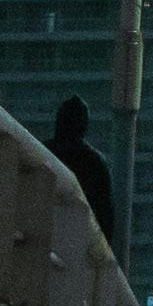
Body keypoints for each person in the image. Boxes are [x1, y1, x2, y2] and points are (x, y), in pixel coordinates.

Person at [47, 95, 121, 254]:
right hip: (79, 245)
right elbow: (105, 216)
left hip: (42, 235)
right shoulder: (95, 162)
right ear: (84, 126)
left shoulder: (42, 153)